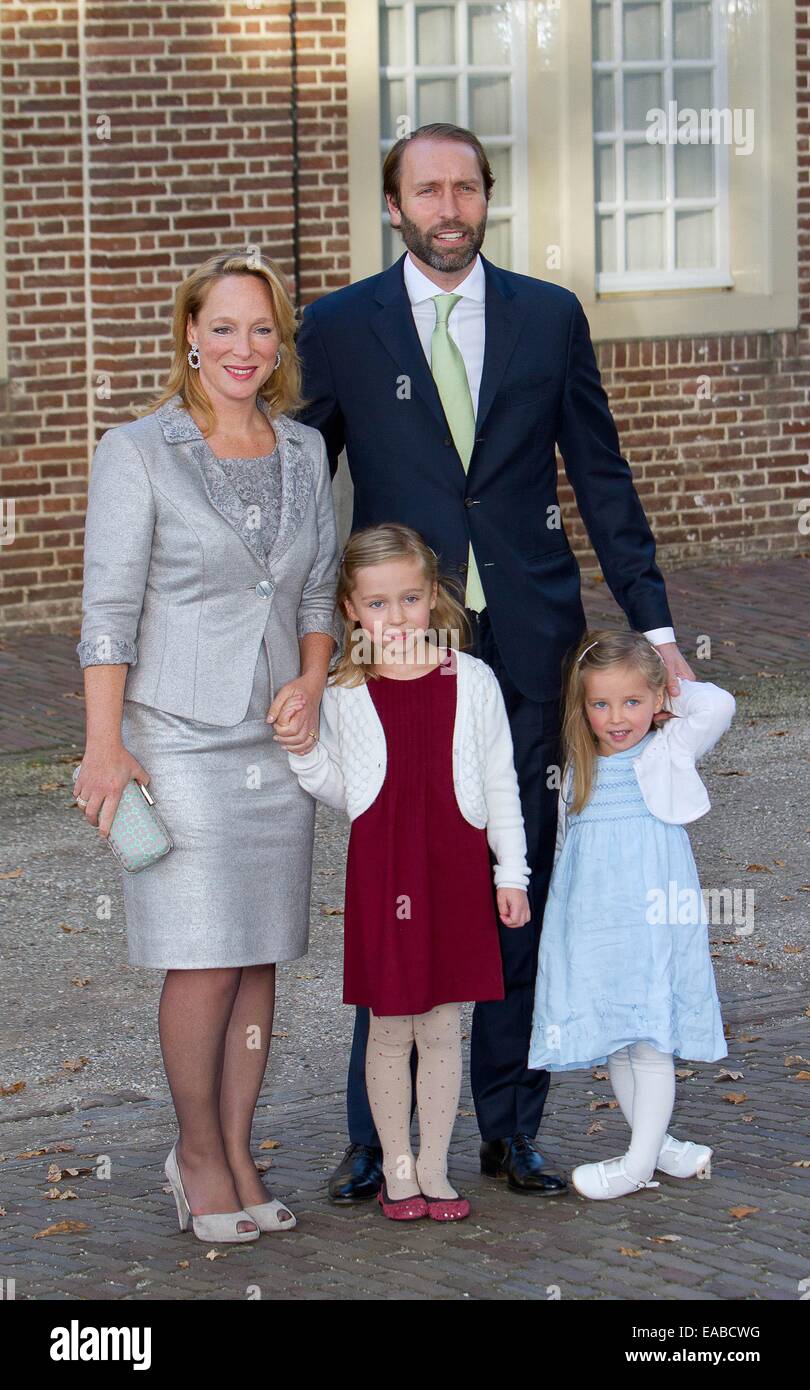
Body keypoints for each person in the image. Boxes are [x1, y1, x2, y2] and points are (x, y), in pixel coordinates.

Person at [295, 121, 694, 1200]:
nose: (448, 208)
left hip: (529, 642)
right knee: (398, 886)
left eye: (465, 189)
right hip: (398, 660)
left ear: (485, 199)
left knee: (518, 876)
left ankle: (511, 1126)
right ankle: (378, 1140)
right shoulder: (338, 327)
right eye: (426, 191)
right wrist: (291, 642)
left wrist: (658, 636)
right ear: (393, 206)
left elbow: (601, 479)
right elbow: (297, 490)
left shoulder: (549, 318)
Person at [73, 249, 340, 1241]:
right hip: (175, 737)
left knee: (258, 954)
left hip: (274, 738)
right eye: (222, 327)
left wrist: (311, 680)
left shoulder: (306, 452)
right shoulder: (137, 449)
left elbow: (314, 592)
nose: (242, 346)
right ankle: (193, 1153)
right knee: (202, 960)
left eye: (261, 329)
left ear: (280, 348)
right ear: (190, 334)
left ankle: (238, 1148)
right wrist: (106, 746)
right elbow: (106, 611)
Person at [275, 524, 531, 1221]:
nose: (397, 617)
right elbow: (340, 788)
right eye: (379, 604)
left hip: (453, 865)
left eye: (411, 599)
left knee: (444, 1023)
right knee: (390, 1025)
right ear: (352, 611)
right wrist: (301, 749)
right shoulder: (344, 688)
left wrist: (512, 873)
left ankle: (439, 1165)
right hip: (385, 870)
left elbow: (500, 782)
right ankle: (396, 1166)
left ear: (433, 599)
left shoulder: (470, 680)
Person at [528, 630, 736, 1199]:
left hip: (653, 916)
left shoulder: (667, 750)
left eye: (632, 702)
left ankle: (636, 1165)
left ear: (656, 700)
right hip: (596, 920)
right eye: (601, 704)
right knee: (620, 1036)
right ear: (583, 707)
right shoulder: (578, 765)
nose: (617, 718)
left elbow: (719, 703)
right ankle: (661, 1147)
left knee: (650, 1036)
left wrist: (670, 681)